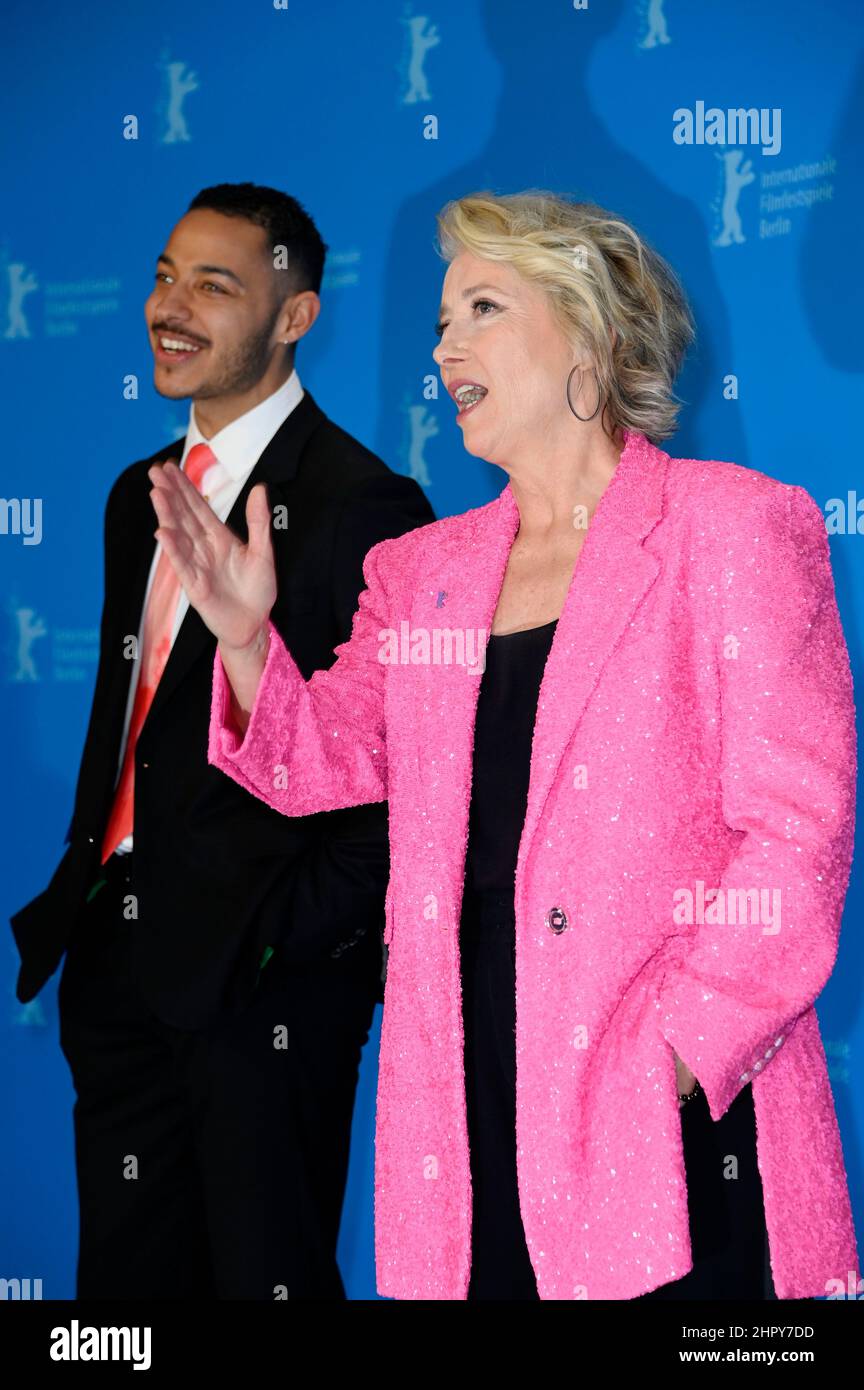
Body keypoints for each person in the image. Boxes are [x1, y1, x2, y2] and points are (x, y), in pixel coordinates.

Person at [149, 190, 859, 1301]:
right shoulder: (423, 569)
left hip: (672, 1105)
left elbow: (797, 836)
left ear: (589, 331)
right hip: (469, 1095)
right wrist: (246, 638)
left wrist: (671, 1054)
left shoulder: (731, 528)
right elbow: (326, 756)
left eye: (482, 306)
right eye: (441, 319)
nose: (444, 344)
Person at [10, 182, 434, 1299]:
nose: (170, 305)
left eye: (215, 283)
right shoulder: (129, 497)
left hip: (264, 994)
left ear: (295, 316)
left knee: (265, 1281)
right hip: (117, 967)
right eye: (162, 275)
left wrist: (282, 943)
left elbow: (391, 788)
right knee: (125, 1300)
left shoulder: (365, 507)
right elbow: (132, 728)